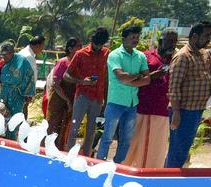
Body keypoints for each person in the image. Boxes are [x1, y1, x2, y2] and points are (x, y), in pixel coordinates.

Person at [166, 22, 211, 168]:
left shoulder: (203, 54)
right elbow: (174, 87)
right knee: (178, 151)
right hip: (183, 111)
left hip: (196, 110)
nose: (209, 39)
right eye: (206, 35)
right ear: (194, 36)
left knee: (184, 149)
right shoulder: (183, 56)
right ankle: (169, 181)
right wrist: (176, 113)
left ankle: (171, 177)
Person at [123, 30, 179, 169]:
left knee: (156, 149)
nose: (172, 44)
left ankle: (150, 176)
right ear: (160, 42)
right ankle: (124, 172)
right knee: (132, 146)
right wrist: (153, 76)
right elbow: (132, 78)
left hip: (162, 110)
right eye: (169, 41)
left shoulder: (176, 60)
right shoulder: (145, 57)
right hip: (142, 109)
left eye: (174, 41)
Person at [97, 25, 151, 162]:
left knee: (126, 139)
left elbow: (147, 79)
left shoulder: (140, 56)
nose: (136, 40)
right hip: (115, 102)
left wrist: (129, 79)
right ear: (124, 38)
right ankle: (100, 163)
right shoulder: (115, 55)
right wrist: (137, 76)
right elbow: (121, 76)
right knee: (108, 138)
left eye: (137, 37)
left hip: (132, 104)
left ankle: (118, 165)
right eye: (133, 37)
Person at [64, 27, 111, 155]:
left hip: (98, 97)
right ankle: (69, 156)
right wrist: (82, 81)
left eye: (101, 45)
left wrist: (106, 100)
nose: (98, 47)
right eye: (96, 44)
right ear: (92, 40)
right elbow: (66, 75)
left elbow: (107, 79)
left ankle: (86, 157)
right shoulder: (80, 54)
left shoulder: (107, 54)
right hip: (82, 95)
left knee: (91, 130)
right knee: (75, 127)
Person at [45, 37, 79, 146]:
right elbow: (56, 83)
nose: (81, 48)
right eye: (78, 46)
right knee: (52, 126)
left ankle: (59, 150)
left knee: (64, 127)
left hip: (70, 99)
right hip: (58, 99)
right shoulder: (63, 62)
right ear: (70, 48)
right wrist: (66, 99)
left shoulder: (78, 63)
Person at [0, 41, 35, 129]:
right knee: (1, 115)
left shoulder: (22, 61)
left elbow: (30, 76)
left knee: (14, 119)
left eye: (6, 55)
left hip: (17, 94)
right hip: (4, 92)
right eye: (2, 55)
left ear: (12, 53)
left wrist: (28, 94)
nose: (4, 57)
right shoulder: (3, 63)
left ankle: (11, 139)